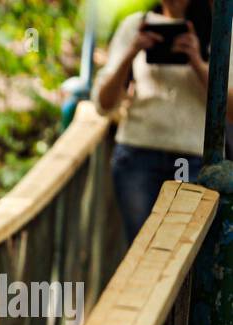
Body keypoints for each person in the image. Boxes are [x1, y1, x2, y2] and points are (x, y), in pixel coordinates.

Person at [93, 1, 230, 240]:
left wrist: (197, 62)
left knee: (183, 252)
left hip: (193, 160)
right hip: (136, 157)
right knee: (141, 246)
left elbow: (230, 110)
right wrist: (132, 52)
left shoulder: (220, 29)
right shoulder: (135, 25)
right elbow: (103, 104)